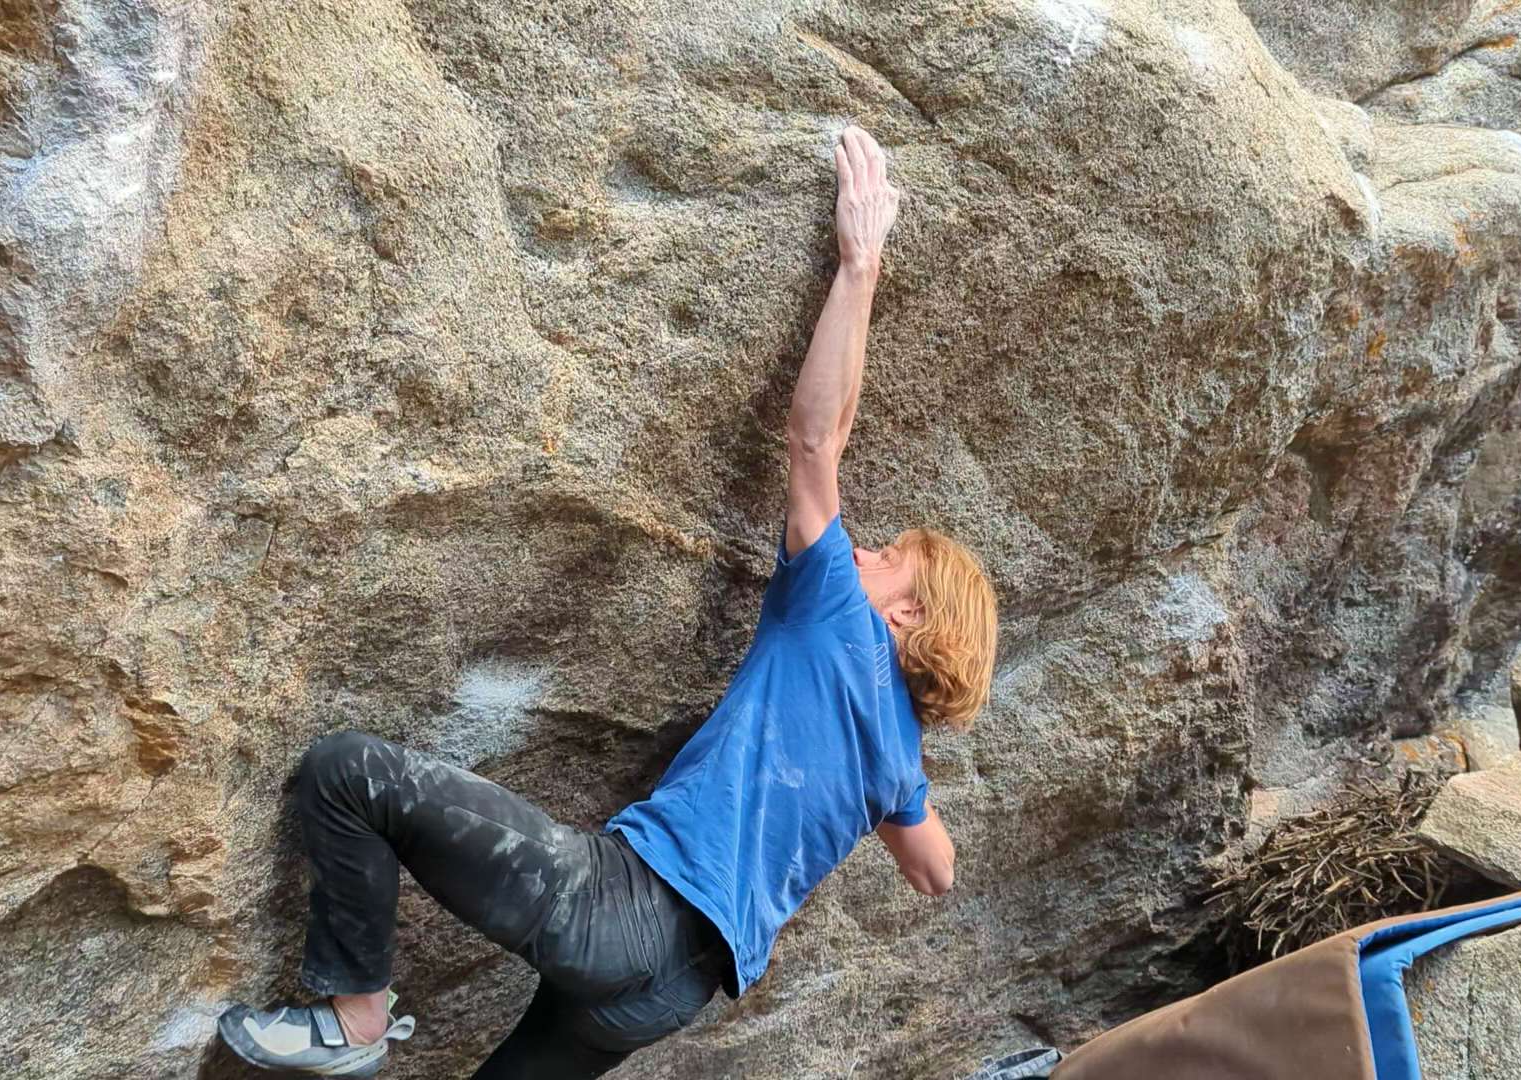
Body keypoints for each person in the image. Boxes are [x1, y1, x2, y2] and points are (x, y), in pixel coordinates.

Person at [215, 125, 999, 1079]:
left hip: (624, 908)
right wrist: (880, 793)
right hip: (669, 998)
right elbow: (937, 871)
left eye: (887, 560)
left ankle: (354, 1018)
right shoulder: (895, 761)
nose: (862, 549)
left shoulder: (839, 619)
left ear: (906, 617)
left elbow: (813, 441)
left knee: (349, 774)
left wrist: (860, 265)